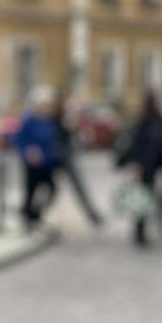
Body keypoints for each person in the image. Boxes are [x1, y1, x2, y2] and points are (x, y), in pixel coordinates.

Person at [116, 89, 162, 248]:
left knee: (148, 198)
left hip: (155, 164)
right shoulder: (143, 120)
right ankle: (139, 233)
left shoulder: (160, 119)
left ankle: (145, 230)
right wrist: (135, 163)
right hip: (144, 165)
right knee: (142, 200)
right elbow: (136, 144)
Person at [9, 85, 61, 229]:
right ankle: (29, 217)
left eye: (49, 105)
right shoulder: (29, 119)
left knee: (51, 189)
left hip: (47, 163)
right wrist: (28, 150)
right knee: (30, 190)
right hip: (32, 163)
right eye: (44, 104)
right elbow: (19, 138)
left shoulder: (49, 120)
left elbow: (54, 139)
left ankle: (35, 213)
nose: (47, 107)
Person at [53, 89, 104, 227]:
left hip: (65, 155)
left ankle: (92, 214)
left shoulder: (67, 116)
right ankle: (34, 213)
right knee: (49, 187)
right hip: (54, 156)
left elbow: (73, 131)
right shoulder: (54, 116)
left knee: (78, 187)